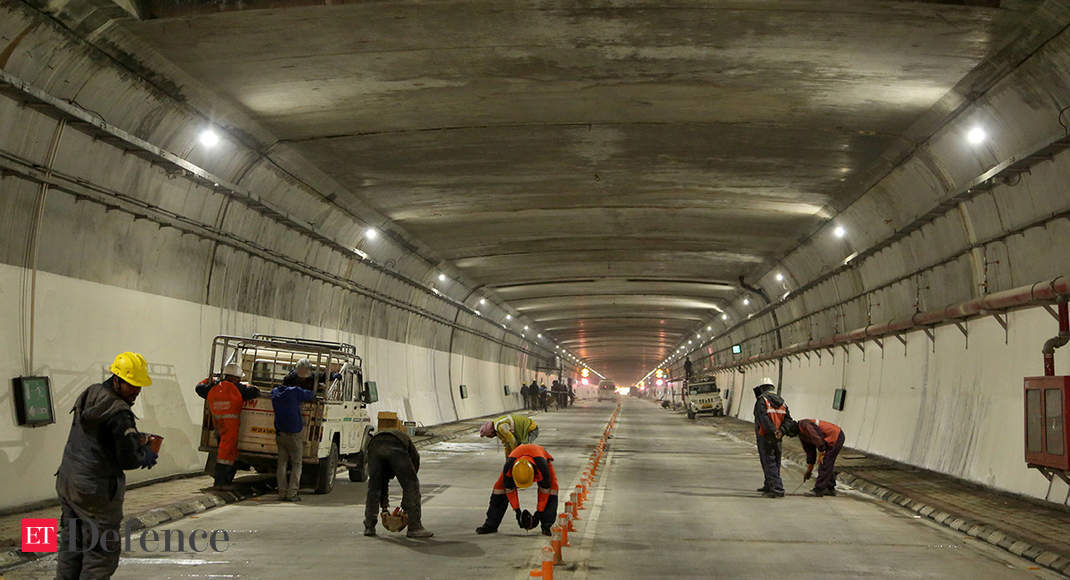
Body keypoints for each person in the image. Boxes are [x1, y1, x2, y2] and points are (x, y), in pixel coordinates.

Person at [55, 352, 159, 579]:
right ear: (116, 380)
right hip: (95, 490)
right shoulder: (120, 413)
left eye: (139, 386)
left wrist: (133, 438)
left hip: (68, 481)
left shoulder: (90, 393)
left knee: (72, 547)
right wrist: (145, 454)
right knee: (101, 553)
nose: (136, 391)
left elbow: (97, 436)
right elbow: (127, 459)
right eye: (132, 385)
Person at [363, 420, 433, 538]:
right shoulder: (412, 455)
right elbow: (411, 481)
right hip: (395, 443)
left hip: (374, 444)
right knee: (412, 484)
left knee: (374, 487)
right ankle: (414, 527)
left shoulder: (385, 464)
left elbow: (381, 485)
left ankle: (369, 526)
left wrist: (386, 508)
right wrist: (405, 506)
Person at [196, 363, 260, 489]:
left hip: (218, 425)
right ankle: (221, 483)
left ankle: (223, 481)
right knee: (225, 455)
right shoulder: (238, 389)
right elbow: (255, 392)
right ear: (236, 378)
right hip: (230, 427)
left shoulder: (213, 387)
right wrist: (247, 385)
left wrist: (210, 379)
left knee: (224, 453)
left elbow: (199, 388)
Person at [476, 443, 558, 537]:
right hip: (517, 456)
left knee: (552, 489)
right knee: (499, 490)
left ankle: (546, 526)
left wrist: (539, 512)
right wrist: (517, 511)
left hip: (539, 456)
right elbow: (509, 490)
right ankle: (491, 525)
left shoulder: (543, 467)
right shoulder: (508, 467)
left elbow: (544, 493)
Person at [271, 380, 316, 501]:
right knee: (296, 464)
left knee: (282, 463)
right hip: (294, 434)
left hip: (280, 434)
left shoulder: (274, 393)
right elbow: (311, 395)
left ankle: (282, 493)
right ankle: (292, 494)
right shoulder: (295, 391)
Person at [785, 418, 845, 497]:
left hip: (835, 436)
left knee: (825, 463)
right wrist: (809, 470)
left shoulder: (805, 425)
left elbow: (817, 437)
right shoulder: (801, 434)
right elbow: (810, 452)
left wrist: (822, 451)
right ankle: (830, 488)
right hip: (827, 440)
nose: (790, 437)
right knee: (826, 463)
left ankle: (819, 490)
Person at [753, 377, 791, 498]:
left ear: (762, 388)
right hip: (778, 437)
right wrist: (781, 431)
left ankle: (777, 488)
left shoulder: (762, 400)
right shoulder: (782, 402)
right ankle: (769, 484)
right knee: (775, 461)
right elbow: (789, 420)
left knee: (768, 462)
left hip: (765, 436)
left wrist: (773, 431)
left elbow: (762, 418)